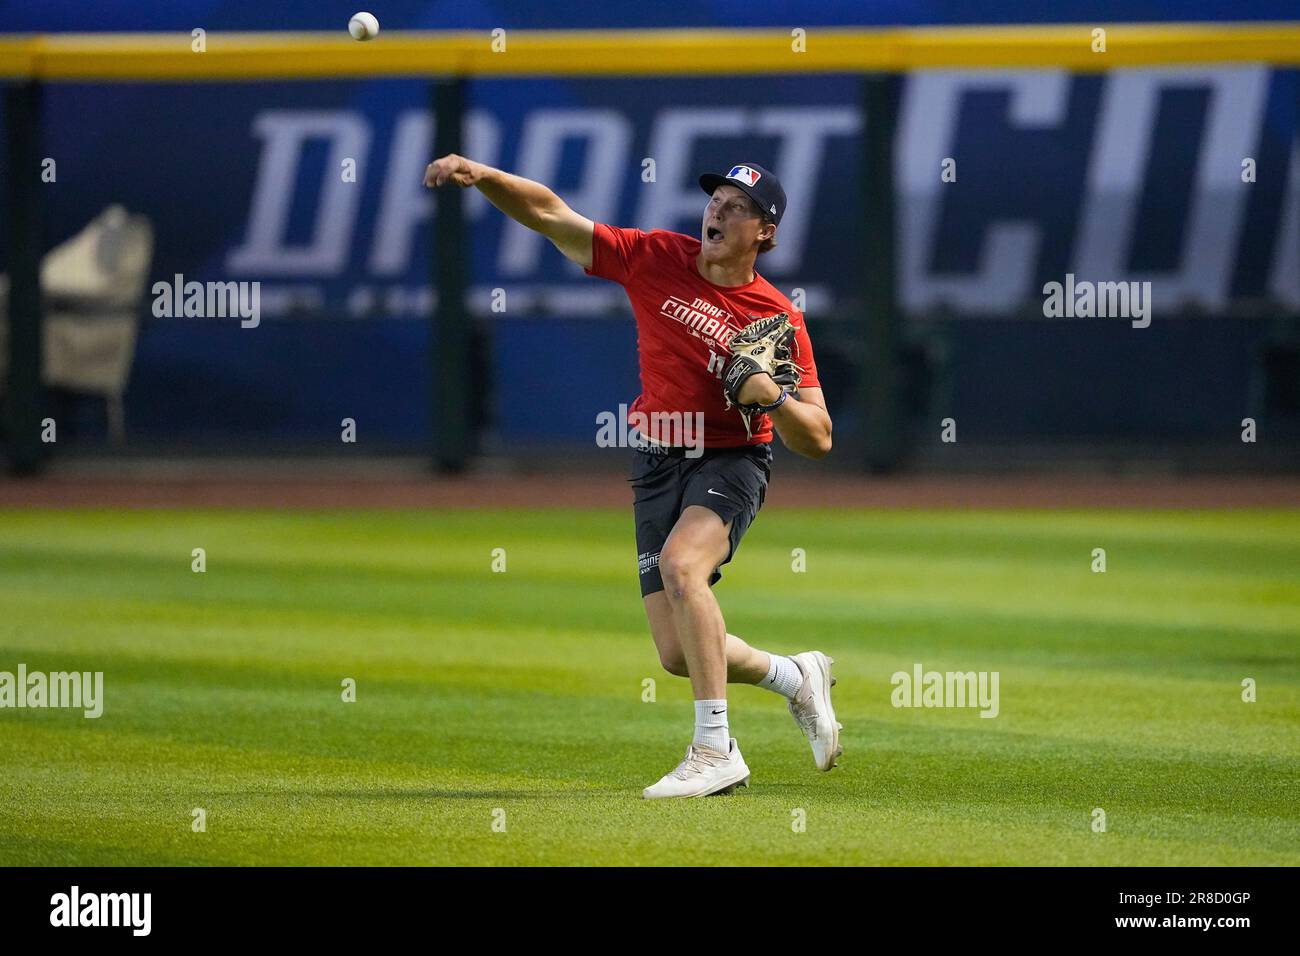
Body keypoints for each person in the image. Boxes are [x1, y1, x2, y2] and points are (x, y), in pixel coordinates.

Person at [424, 156, 840, 799]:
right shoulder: (653, 257)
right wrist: (484, 176)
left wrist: (772, 398)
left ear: (766, 231)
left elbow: (817, 437)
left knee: (682, 568)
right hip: (654, 461)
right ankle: (794, 675)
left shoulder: (776, 317)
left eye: (737, 207)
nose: (717, 213)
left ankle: (714, 747)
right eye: (716, 201)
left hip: (730, 459)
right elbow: (550, 215)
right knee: (678, 654)